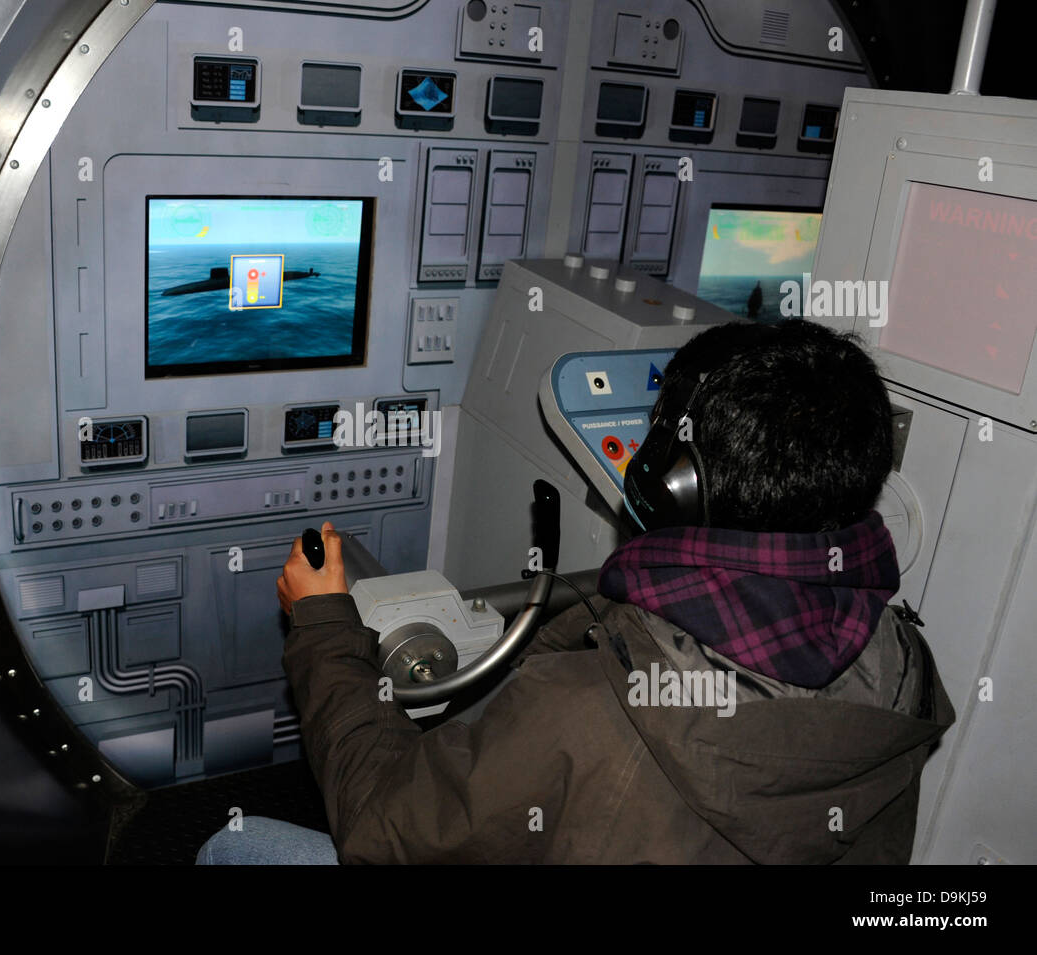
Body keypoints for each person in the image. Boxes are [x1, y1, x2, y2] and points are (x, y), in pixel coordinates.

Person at [197, 319, 954, 864]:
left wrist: (325, 625)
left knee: (234, 845)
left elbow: (381, 823)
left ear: (672, 482)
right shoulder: (905, 665)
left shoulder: (588, 711)